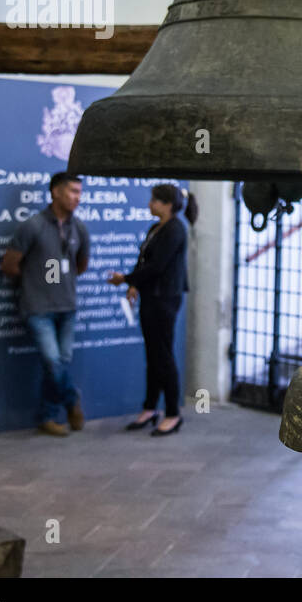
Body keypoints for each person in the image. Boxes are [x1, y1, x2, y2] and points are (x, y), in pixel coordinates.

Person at [2, 172, 90, 437]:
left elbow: (81, 265)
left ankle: (48, 416)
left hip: (67, 307)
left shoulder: (80, 228)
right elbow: (9, 265)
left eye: (79, 192)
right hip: (37, 307)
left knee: (60, 362)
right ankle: (71, 398)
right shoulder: (32, 226)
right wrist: (34, 281)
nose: (77, 197)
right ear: (55, 192)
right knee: (53, 361)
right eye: (72, 191)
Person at [109, 184, 195, 437]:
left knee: (163, 356)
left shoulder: (175, 229)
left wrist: (125, 278)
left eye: (154, 200)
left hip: (164, 298)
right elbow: (144, 260)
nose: (149, 204)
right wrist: (134, 283)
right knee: (153, 354)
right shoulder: (156, 228)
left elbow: (157, 266)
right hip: (152, 296)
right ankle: (149, 408)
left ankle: (172, 413)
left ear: (167, 204)